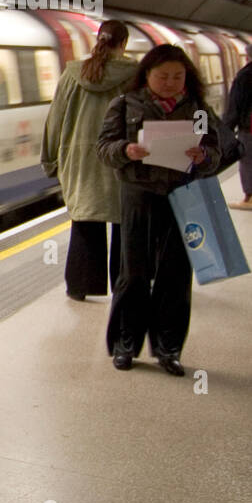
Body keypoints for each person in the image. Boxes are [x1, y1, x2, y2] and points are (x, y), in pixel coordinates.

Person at [97, 45, 221, 375]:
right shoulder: (125, 104)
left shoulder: (197, 108)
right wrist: (127, 149)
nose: (170, 82)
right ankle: (126, 343)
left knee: (176, 275)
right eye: (162, 76)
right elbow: (104, 149)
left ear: (187, 77)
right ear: (147, 75)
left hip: (184, 195)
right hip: (138, 194)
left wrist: (204, 157)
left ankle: (169, 349)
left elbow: (216, 152)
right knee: (133, 272)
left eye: (177, 76)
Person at [40, 20, 137, 300]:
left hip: (79, 160)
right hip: (122, 157)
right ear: (124, 44)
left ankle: (81, 286)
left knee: (85, 221)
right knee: (124, 223)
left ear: (98, 39)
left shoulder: (72, 74)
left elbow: (55, 119)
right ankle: (124, 283)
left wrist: (49, 161)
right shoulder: (135, 75)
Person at [223, 57, 252, 209]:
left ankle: (250, 197)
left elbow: (235, 105)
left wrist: (226, 130)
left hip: (249, 128)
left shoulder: (245, 75)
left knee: (247, 160)